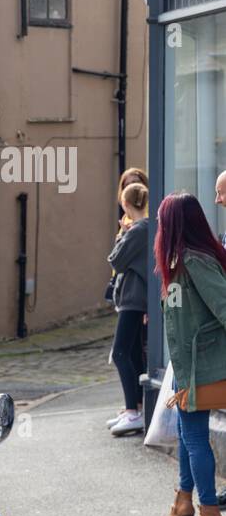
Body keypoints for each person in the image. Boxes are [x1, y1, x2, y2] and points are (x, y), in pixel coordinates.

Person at [156, 193, 226, 516]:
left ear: (174, 224)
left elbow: (224, 307)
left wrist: (202, 344)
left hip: (205, 367)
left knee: (195, 438)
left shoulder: (195, 261)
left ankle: (210, 513)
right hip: (188, 367)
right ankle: (185, 501)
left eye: (162, 219)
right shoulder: (179, 260)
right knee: (187, 434)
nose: (158, 225)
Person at [106, 180, 150, 436]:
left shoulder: (137, 230)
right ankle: (136, 408)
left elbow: (116, 260)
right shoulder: (144, 228)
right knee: (133, 354)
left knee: (120, 352)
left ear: (125, 203)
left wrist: (122, 233)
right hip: (136, 298)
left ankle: (133, 411)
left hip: (133, 299)